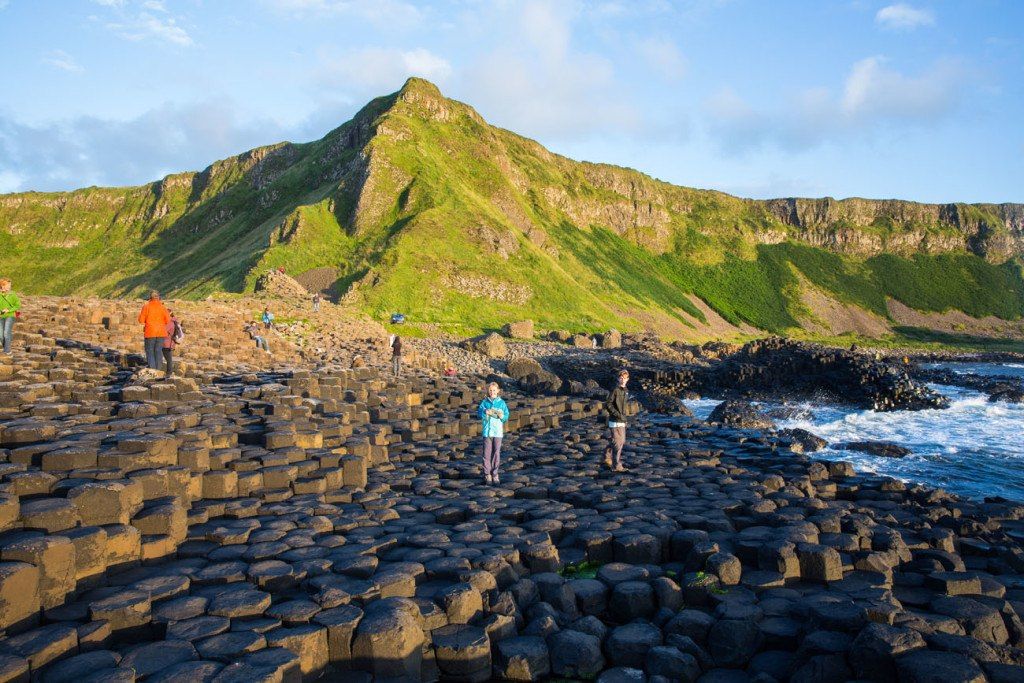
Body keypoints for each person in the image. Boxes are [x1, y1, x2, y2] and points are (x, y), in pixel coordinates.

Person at [477, 381, 510, 485]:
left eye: (494, 390)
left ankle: (495, 474)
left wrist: (502, 416)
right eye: (490, 390)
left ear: (498, 391)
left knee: (496, 453)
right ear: (488, 391)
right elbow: (479, 413)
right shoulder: (484, 402)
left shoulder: (502, 403)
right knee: (486, 454)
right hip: (487, 432)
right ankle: (487, 475)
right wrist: (484, 412)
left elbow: (506, 415)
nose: (492, 392)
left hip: (498, 432)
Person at [603, 369, 631, 472]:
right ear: (618, 378)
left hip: (622, 420)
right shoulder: (615, 390)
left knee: (621, 441)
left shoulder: (626, 391)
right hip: (614, 420)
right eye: (621, 378)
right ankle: (616, 466)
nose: (623, 380)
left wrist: (624, 418)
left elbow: (623, 407)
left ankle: (606, 455)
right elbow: (608, 404)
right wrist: (617, 414)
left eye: (625, 378)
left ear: (627, 379)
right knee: (618, 444)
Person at [138, 290, 171, 370]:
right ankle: (158, 370)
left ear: (150, 297)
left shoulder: (146, 306)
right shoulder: (163, 307)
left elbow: (141, 320)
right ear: (159, 297)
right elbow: (168, 320)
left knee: (150, 351)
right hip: (161, 332)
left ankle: (152, 371)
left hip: (150, 332)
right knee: (158, 351)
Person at [0, 279, 21, 355]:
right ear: (2, 286)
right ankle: (6, 347)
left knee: (6, 333)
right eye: (8, 285)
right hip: (1, 316)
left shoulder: (13, 294)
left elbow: (18, 305)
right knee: (1, 335)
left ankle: (7, 351)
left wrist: (8, 310)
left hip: (11, 315)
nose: (9, 287)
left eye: (10, 285)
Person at [163, 311, 183, 375]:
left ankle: (169, 373)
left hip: (166, 343)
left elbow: (163, 331)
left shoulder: (169, 322)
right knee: (169, 359)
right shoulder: (174, 321)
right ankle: (169, 373)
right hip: (171, 343)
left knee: (168, 359)